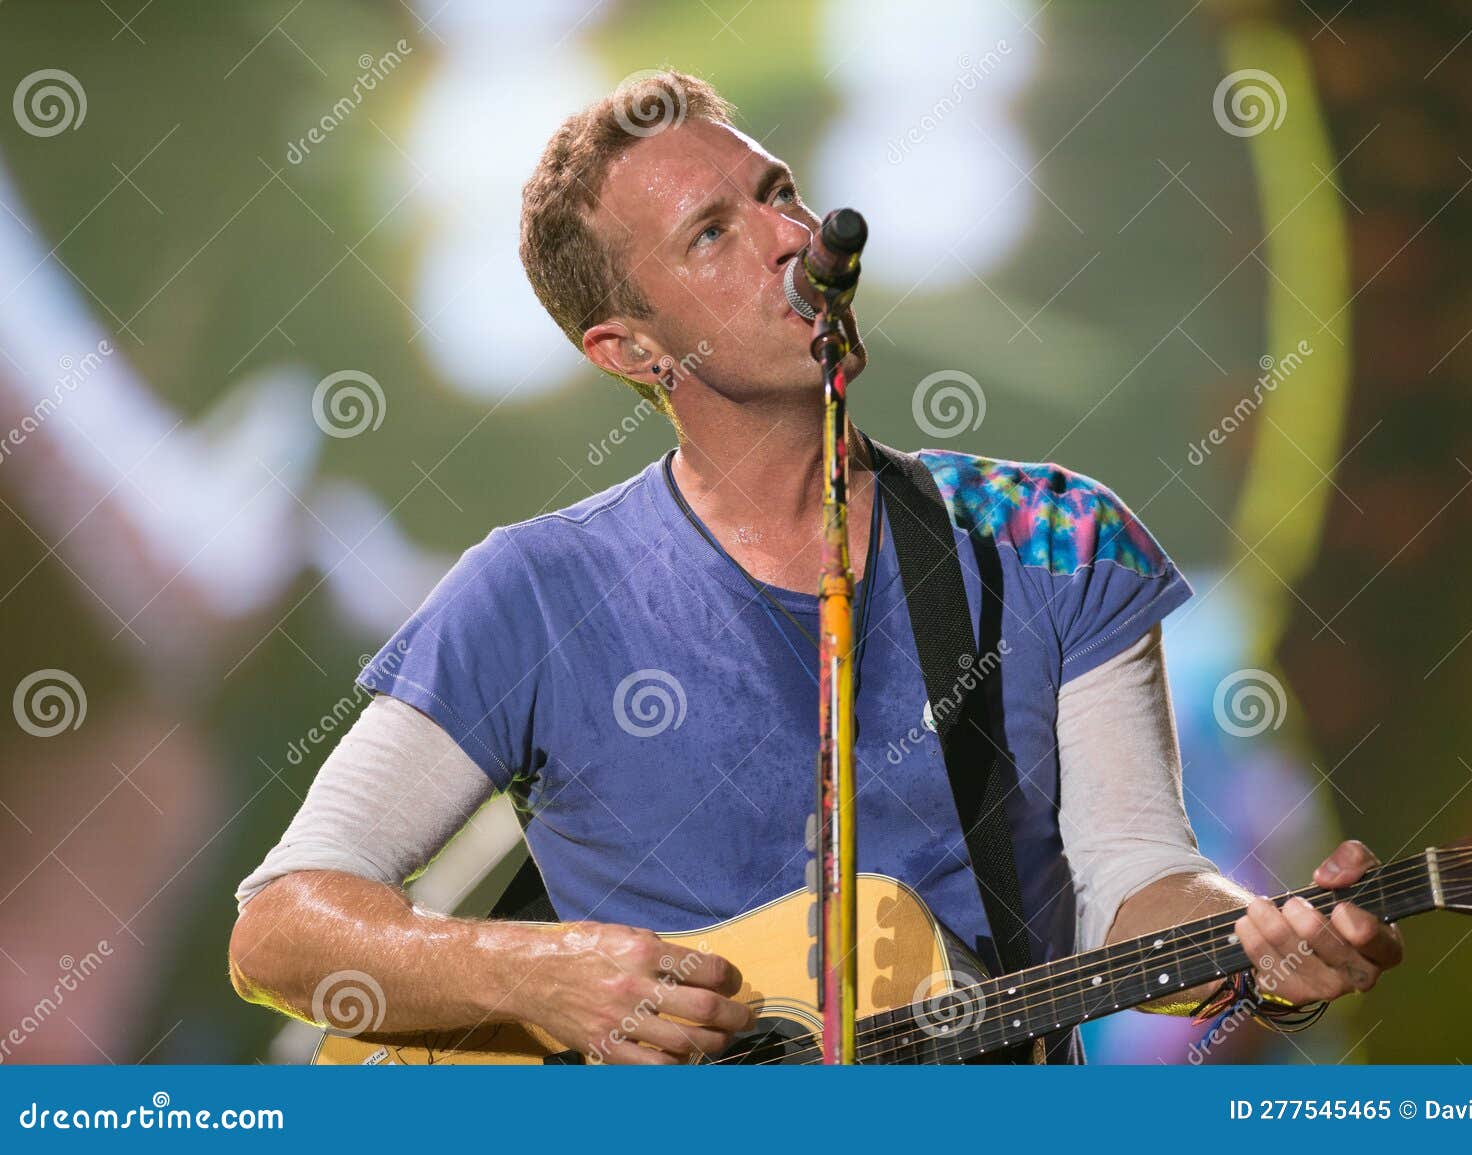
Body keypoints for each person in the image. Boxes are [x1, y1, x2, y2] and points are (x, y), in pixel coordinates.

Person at [228, 70, 1401, 1064]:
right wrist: (534, 973)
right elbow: (280, 927)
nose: (794, 238)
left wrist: (1261, 950)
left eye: (776, 192)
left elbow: (1137, 882)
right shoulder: (534, 590)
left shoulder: (1052, 535)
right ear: (630, 349)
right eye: (712, 233)